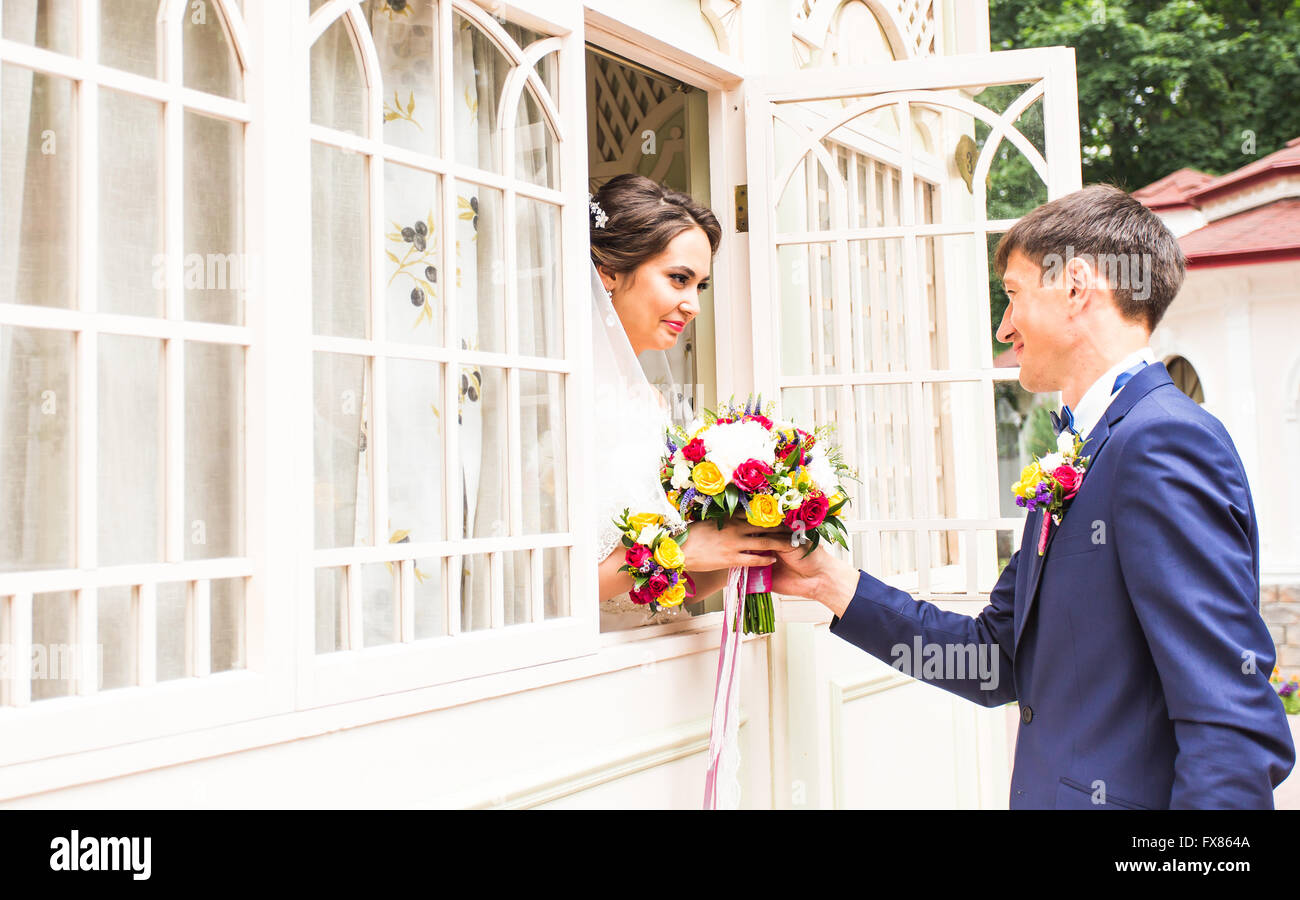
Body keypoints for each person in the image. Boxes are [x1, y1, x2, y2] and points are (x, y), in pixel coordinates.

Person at [769, 184, 1296, 808]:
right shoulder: (1087, 449)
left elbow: (1230, 721)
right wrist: (830, 582)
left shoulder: (1162, 442)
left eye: (1014, 295)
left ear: (1076, 287)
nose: (1004, 324)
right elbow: (995, 661)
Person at [588, 174, 788, 630]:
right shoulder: (556, 400)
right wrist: (679, 550)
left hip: (662, 648)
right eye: (679, 279)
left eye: (700, 286)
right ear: (609, 272)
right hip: (587, 659)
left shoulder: (653, 403)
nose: (692, 304)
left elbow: (665, 584)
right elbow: (543, 585)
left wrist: (746, 549)